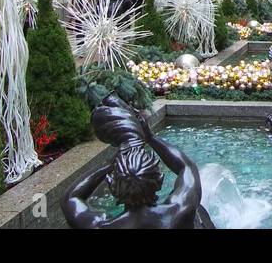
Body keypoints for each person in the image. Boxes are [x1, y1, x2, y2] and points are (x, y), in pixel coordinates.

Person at [62, 96, 213, 229]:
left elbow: (71, 198)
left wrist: (109, 164)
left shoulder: (100, 226)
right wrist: (151, 138)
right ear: (159, 177)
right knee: (199, 215)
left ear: (113, 184)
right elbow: (186, 167)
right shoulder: (180, 210)